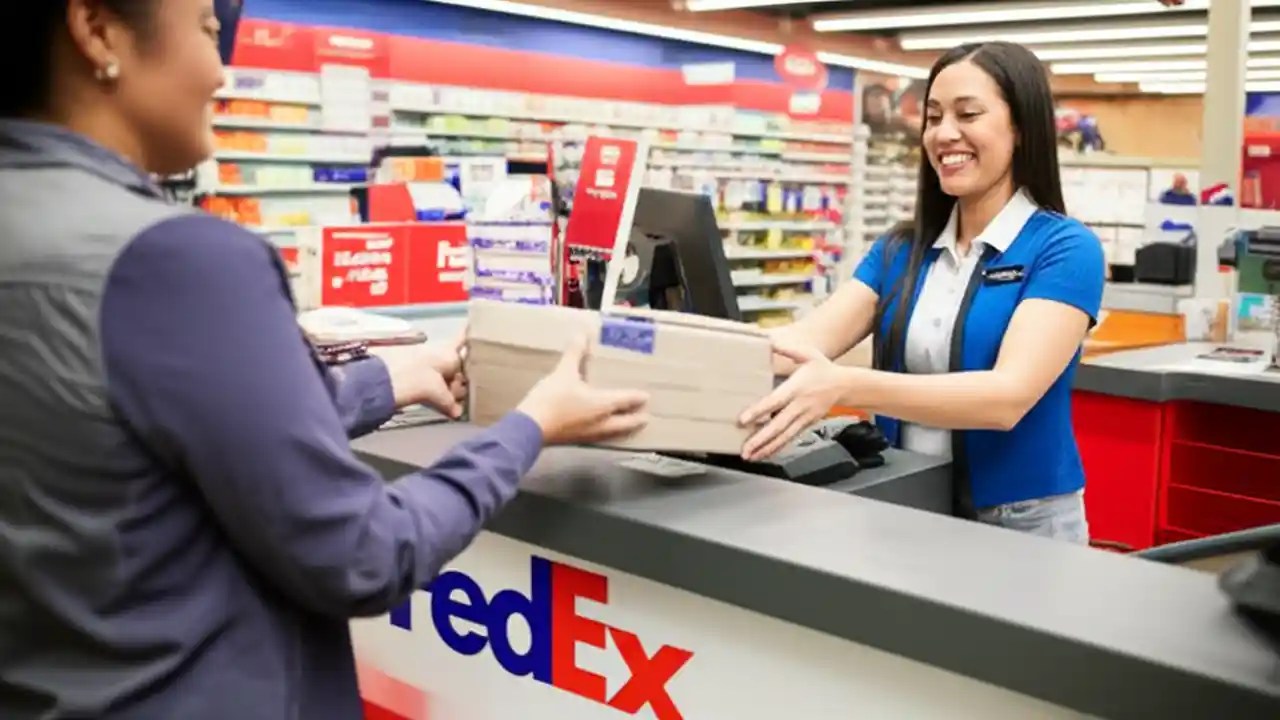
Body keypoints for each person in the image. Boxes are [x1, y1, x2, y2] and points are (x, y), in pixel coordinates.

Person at [0, 1, 648, 718]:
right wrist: (531, 425)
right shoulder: (182, 262)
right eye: (208, 31)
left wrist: (386, 382)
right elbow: (365, 554)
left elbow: (140, 418)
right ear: (97, 31)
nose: (222, 70)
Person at [739, 41, 1105, 544]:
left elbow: (1007, 397)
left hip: (1020, 523)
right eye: (933, 117)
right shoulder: (901, 249)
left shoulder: (1064, 248)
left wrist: (845, 386)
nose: (944, 133)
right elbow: (804, 342)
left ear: (1020, 127)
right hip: (906, 505)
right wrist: (665, 345)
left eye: (968, 113)